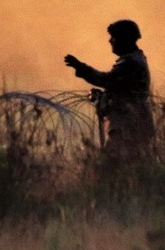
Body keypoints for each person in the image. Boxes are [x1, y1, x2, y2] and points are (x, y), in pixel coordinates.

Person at [65, 19, 156, 160]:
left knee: (114, 164)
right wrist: (103, 97)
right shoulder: (135, 59)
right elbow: (121, 89)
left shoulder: (130, 63)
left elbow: (106, 80)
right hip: (132, 124)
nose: (110, 41)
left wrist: (81, 67)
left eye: (114, 37)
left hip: (127, 126)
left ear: (124, 39)